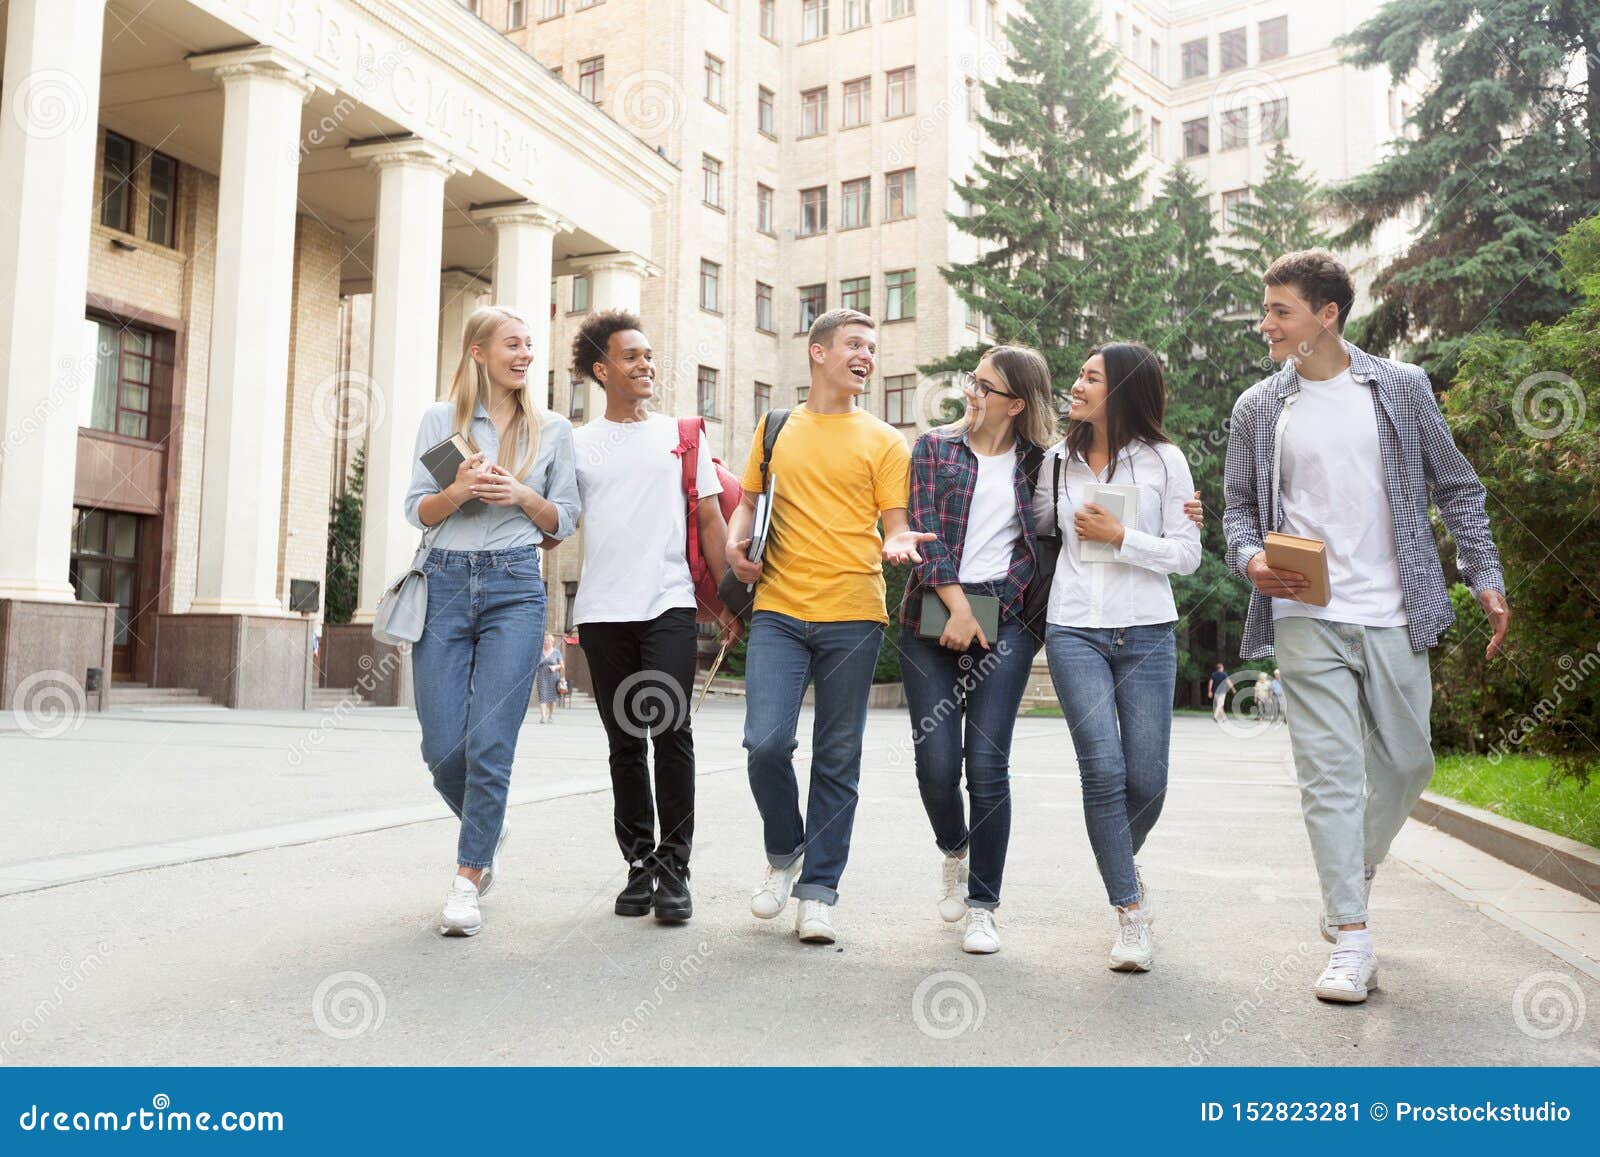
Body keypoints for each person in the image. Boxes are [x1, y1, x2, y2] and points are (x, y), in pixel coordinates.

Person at [1224, 250, 1509, 1004]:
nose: (1267, 324)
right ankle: (1351, 932)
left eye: (1281, 310)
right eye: (1267, 309)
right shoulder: (1259, 407)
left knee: (1410, 760)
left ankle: (1352, 863)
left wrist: (1484, 574)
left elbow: (1458, 485)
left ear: (1327, 315)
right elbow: (1237, 510)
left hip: (1393, 607)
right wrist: (1251, 557)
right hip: (1303, 612)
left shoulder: (1401, 388)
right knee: (1327, 772)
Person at [726, 308, 929, 946]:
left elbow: (893, 520)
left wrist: (898, 541)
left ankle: (819, 891)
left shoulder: (885, 441)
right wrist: (736, 546)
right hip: (781, 610)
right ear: (818, 352)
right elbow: (750, 505)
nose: (866, 356)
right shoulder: (776, 425)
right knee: (765, 744)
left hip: (854, 613)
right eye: (854, 345)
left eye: (872, 347)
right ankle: (784, 851)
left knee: (838, 758)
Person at [404, 305, 580, 938]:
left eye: (530, 345)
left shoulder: (554, 429)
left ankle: (467, 877)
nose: (525, 354)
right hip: (445, 581)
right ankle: (489, 822)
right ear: (478, 352)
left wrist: (520, 495)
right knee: (442, 746)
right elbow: (418, 513)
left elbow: (563, 522)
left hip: (515, 584)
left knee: (490, 744)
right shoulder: (439, 420)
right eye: (512, 344)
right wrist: (458, 493)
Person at [1035, 343, 1201, 973]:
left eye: (1090, 377)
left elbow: (1187, 555)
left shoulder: (1165, 461)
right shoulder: (1057, 461)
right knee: (1102, 773)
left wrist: (1122, 537)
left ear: (1124, 389)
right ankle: (1128, 911)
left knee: (1147, 780)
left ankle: (1118, 860)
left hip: (1148, 630)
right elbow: (1031, 527)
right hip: (1075, 627)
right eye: (1077, 374)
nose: (1075, 384)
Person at [569, 310, 734, 924]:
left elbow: (713, 522)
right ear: (600, 369)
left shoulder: (683, 434)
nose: (646, 364)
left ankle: (675, 869)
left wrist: (729, 602)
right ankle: (639, 863)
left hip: (668, 602)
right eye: (631, 356)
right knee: (623, 744)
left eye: (648, 354)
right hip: (603, 611)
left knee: (671, 733)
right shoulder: (577, 444)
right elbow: (558, 521)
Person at [898, 346, 1058, 954]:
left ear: (1016, 403)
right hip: (934, 609)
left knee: (987, 766)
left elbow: (1043, 540)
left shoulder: (1041, 463)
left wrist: (998, 608)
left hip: (1007, 619)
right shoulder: (935, 448)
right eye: (973, 381)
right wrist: (958, 606)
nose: (972, 392)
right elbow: (926, 528)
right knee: (937, 765)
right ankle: (953, 848)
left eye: (985, 387)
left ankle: (983, 905)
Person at [535, 634, 563, 724]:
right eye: (545, 640)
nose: (546, 642)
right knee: (542, 695)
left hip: (553, 676)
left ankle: (550, 716)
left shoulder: (556, 652)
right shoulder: (539, 651)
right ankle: (543, 717)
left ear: (552, 642)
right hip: (541, 675)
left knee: (552, 697)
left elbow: (562, 665)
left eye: (548, 640)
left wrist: (555, 667)